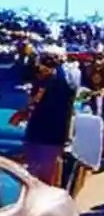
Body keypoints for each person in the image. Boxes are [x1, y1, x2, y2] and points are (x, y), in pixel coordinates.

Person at [12, 54, 76, 186]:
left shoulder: (57, 84)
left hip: (46, 138)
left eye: (39, 68)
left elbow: (41, 106)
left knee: (44, 177)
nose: (38, 72)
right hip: (45, 137)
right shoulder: (54, 81)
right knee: (40, 173)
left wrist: (28, 111)